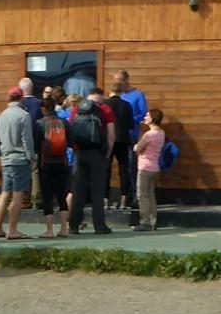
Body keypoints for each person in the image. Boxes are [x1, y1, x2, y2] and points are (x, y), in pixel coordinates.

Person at [68, 90, 117, 235]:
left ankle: (73, 225)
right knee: (97, 192)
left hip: (80, 153)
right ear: (101, 98)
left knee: (78, 191)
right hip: (97, 154)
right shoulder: (105, 109)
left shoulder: (77, 108)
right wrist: (107, 155)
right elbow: (111, 135)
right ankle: (99, 226)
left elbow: (71, 130)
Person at [0, 87, 36, 240]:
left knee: (5, 193)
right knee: (18, 194)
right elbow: (27, 140)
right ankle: (13, 230)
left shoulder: (2, 115)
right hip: (19, 159)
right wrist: (32, 157)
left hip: (6, 158)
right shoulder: (24, 115)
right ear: (21, 98)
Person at [36, 98, 71, 239]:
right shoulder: (64, 122)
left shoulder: (39, 124)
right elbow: (71, 142)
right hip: (62, 162)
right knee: (62, 195)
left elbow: (36, 146)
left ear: (43, 109)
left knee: (47, 196)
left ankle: (49, 230)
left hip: (46, 163)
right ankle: (64, 228)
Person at [114, 70, 149, 209]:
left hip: (131, 135)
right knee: (122, 167)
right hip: (119, 135)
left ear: (127, 80)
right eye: (116, 80)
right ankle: (124, 195)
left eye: (120, 80)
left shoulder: (137, 95)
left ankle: (135, 195)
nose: (117, 83)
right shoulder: (118, 96)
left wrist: (128, 120)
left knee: (131, 165)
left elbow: (143, 113)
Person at [133, 110, 167, 232]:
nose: (145, 117)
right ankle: (153, 221)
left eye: (147, 115)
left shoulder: (149, 135)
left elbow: (138, 148)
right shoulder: (161, 133)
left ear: (152, 118)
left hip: (144, 167)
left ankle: (145, 222)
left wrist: (136, 145)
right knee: (151, 195)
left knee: (142, 195)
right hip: (155, 167)